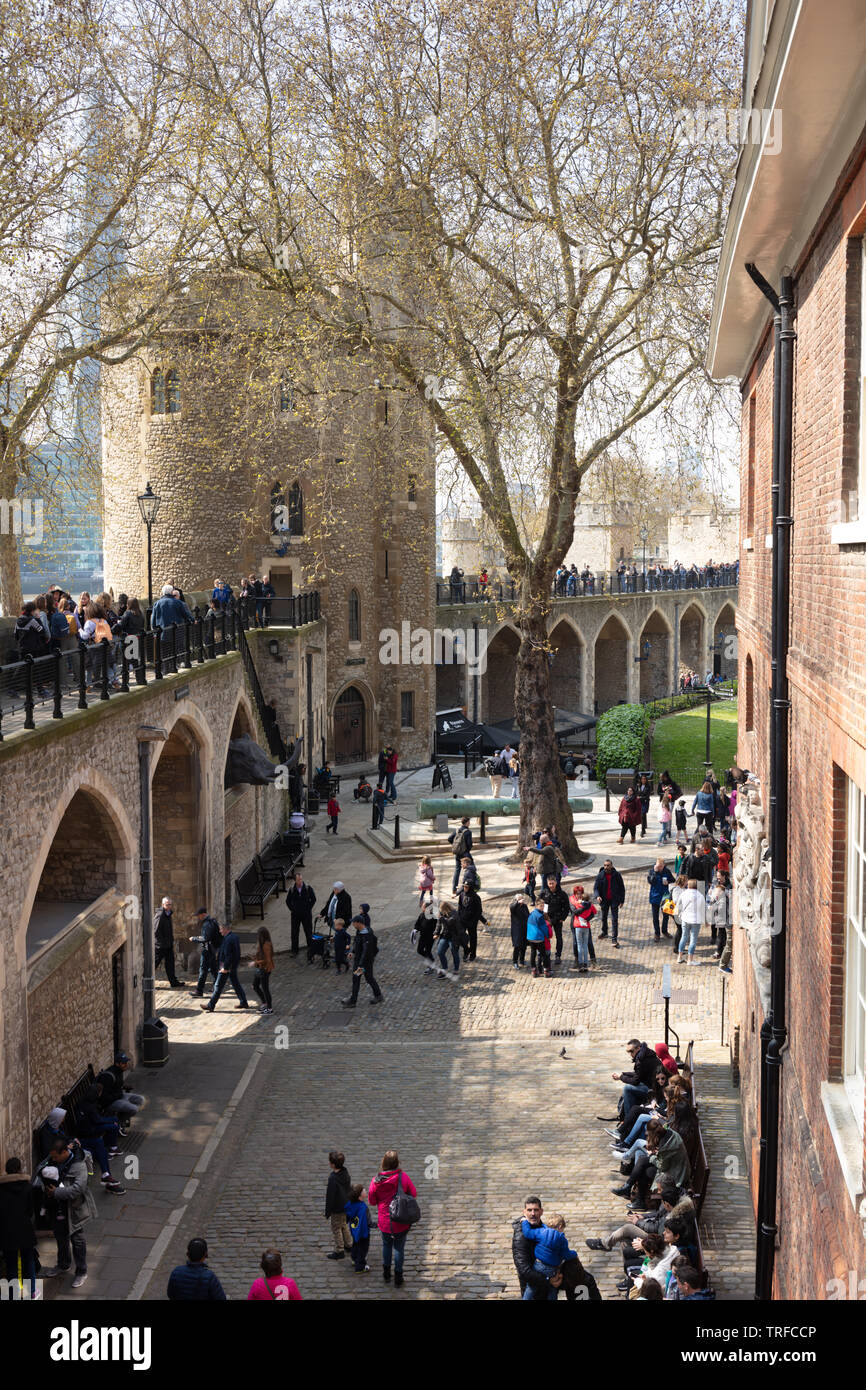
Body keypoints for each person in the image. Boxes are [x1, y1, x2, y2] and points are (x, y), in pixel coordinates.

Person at [37, 1138, 95, 1289]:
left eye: (56, 1156)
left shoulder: (79, 1164)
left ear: (64, 1152)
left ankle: (81, 1271)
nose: (53, 1159)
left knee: (77, 1241)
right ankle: (63, 1264)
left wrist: (56, 1192)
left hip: (74, 1209)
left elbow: (79, 1188)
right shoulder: (54, 1159)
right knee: (60, 1237)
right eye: (52, 1157)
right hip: (57, 1208)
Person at [367, 1151, 418, 1287]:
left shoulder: (376, 1181)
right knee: (399, 1249)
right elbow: (413, 1193)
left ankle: (386, 1273)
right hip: (400, 1220)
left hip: (384, 1222)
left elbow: (372, 1201)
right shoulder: (403, 1177)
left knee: (386, 1245)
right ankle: (398, 1276)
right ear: (397, 1163)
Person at [0, 1156, 38, 1299]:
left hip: (7, 1232)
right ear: (19, 1169)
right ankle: (31, 1292)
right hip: (25, 1230)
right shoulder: (28, 1187)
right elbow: (30, 1211)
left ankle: (12, 1295)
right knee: (28, 1261)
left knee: (11, 1265)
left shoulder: (1, 1189)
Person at [520, 1212, 578, 1300]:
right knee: (553, 1289)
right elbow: (566, 1254)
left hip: (538, 1265)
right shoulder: (562, 1239)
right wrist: (574, 1253)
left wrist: (524, 1222)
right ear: (560, 1226)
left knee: (531, 1287)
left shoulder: (542, 1232)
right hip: (552, 1268)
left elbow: (528, 1233)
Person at [201, 923, 249, 1010]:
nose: (220, 931)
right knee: (236, 984)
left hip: (226, 967)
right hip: (232, 966)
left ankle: (210, 1005)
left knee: (218, 986)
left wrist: (225, 968)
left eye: (221, 929)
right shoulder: (234, 937)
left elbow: (228, 956)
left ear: (226, 929)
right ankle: (244, 1002)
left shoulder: (228, 940)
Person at [341, 915, 382, 1006]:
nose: (352, 924)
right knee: (365, 978)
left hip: (364, 963)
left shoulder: (366, 935)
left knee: (362, 978)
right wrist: (352, 951)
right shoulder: (360, 932)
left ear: (358, 923)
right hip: (361, 962)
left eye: (354, 922)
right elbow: (356, 943)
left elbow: (365, 952)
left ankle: (353, 1001)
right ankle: (378, 995)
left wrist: (360, 965)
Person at [94, 1051, 145, 1124]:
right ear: (117, 1064)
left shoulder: (120, 1071)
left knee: (141, 1099)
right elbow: (104, 1097)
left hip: (119, 1096)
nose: (126, 1065)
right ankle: (119, 1123)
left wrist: (122, 1088)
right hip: (110, 1103)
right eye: (123, 1063)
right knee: (134, 1109)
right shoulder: (108, 1077)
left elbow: (116, 1086)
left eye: (126, 1062)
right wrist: (118, 1096)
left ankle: (121, 1118)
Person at [324, 1150, 353, 1260]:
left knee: (336, 1228)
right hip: (346, 1205)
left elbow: (330, 1196)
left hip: (337, 1208)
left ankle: (339, 1250)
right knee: (344, 1225)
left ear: (333, 1164)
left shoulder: (333, 1179)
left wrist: (328, 1211)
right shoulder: (345, 1173)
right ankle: (349, 1244)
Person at [189, 907, 221, 998]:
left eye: (199, 915)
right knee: (214, 970)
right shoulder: (212, 921)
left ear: (203, 914)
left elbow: (206, 938)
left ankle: (199, 990)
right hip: (212, 949)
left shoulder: (207, 923)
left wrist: (194, 938)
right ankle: (216, 988)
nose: (198, 917)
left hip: (207, 950)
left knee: (203, 970)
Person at [593, 858, 626, 947]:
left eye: (608, 865)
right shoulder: (600, 875)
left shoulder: (617, 875)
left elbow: (622, 888)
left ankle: (614, 938)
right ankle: (604, 932)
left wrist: (622, 900)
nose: (606, 867)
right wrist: (597, 896)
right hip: (604, 900)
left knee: (614, 919)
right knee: (604, 917)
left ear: (611, 866)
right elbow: (596, 888)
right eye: (605, 865)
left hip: (614, 900)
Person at [154, 896, 183, 987]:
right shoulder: (160, 915)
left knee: (170, 964)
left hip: (168, 945)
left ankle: (174, 982)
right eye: (167, 904)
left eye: (170, 904)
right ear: (163, 905)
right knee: (154, 963)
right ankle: (145, 981)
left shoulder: (168, 914)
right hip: (160, 946)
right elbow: (156, 930)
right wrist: (162, 942)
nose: (169, 906)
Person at [541, 874, 571, 963]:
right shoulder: (544, 893)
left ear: (556, 883)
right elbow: (541, 904)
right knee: (546, 937)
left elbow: (566, 907)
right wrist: (544, 916)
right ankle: (547, 954)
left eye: (552, 883)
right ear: (547, 883)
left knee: (559, 937)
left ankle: (558, 955)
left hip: (558, 919)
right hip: (547, 919)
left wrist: (563, 918)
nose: (551, 885)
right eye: (549, 883)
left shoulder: (562, 894)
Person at [286, 872, 316, 956]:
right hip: (295, 915)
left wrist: (308, 908)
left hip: (306, 915)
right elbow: (287, 901)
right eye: (298, 880)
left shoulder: (308, 888)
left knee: (308, 931)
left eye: (301, 879)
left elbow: (313, 899)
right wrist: (292, 909)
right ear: (295, 880)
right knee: (294, 933)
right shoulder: (292, 889)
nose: (300, 881)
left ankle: (311, 949)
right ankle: (294, 950)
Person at [677, 879, 706, 964]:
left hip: (685, 919)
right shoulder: (700, 896)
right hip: (695, 920)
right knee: (693, 940)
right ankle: (690, 959)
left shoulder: (683, 893)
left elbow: (679, 905)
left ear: (688, 885)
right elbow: (703, 909)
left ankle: (679, 957)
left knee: (684, 937)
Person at [457, 882, 487, 962]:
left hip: (471, 922)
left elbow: (479, 911)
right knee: (460, 937)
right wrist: (459, 917)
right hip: (462, 920)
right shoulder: (462, 895)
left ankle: (473, 954)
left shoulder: (476, 897)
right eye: (464, 887)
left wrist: (474, 921)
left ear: (470, 887)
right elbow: (460, 906)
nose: (464, 888)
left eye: (466, 887)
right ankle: (466, 950)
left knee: (473, 938)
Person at [570, 883, 597, 972]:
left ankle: (592, 960)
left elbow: (593, 913)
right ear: (575, 894)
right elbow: (574, 912)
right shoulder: (573, 900)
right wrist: (586, 906)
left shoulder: (584, 902)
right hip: (575, 924)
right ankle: (577, 960)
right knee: (576, 943)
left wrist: (587, 918)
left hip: (585, 924)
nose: (579, 895)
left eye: (580, 893)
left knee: (588, 942)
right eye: (577, 893)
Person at [344, 1184, 371, 1273]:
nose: (365, 1191)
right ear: (360, 1197)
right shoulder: (362, 1207)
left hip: (354, 1230)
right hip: (363, 1233)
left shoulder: (350, 1205)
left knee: (355, 1244)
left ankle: (354, 1258)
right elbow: (366, 1221)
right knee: (363, 1249)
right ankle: (360, 1266)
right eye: (364, 1191)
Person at [647, 859, 674, 940]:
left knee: (666, 915)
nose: (659, 868)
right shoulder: (652, 871)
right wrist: (655, 872)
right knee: (655, 917)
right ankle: (657, 933)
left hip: (665, 896)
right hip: (655, 896)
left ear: (664, 865)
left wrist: (668, 881)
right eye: (658, 866)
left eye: (661, 866)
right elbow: (650, 881)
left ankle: (664, 931)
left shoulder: (667, 871)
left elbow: (673, 879)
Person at [434, 901, 463, 978]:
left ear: (445, 909)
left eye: (441, 910)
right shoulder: (441, 914)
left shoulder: (454, 913)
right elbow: (438, 924)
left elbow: (450, 922)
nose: (440, 911)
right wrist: (436, 933)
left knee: (454, 953)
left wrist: (442, 918)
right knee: (440, 952)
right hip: (445, 935)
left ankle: (456, 969)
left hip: (454, 937)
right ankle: (444, 968)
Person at [526, 897, 553, 978]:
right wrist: (547, 936)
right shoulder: (540, 916)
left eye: (543, 906)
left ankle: (534, 970)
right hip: (538, 938)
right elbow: (544, 928)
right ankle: (546, 971)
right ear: (536, 905)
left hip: (530, 937)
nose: (543, 907)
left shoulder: (531, 914)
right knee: (543, 954)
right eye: (541, 906)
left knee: (533, 953)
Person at [252, 925, 275, 1013]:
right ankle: (265, 1003)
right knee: (255, 985)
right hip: (260, 969)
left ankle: (269, 1008)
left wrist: (256, 962)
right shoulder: (262, 944)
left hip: (265, 969)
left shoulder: (266, 945)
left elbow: (267, 960)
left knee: (265, 989)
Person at [448, 815, 473, 892]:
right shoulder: (468, 832)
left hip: (457, 854)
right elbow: (469, 844)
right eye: (469, 822)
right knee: (471, 869)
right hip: (465, 854)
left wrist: (456, 845)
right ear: (467, 822)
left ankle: (454, 889)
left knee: (457, 870)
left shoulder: (457, 830)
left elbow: (449, 839)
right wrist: (467, 850)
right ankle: (471, 886)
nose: (470, 823)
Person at [510, 892, 530, 968]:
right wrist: (517, 902)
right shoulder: (513, 906)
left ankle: (522, 960)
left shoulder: (524, 906)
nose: (521, 900)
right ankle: (515, 961)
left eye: (522, 899)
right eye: (519, 899)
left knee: (524, 946)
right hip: (517, 930)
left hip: (524, 929)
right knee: (517, 946)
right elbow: (512, 907)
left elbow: (528, 915)